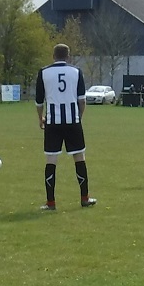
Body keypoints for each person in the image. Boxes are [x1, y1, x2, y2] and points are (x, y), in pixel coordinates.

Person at [35, 43, 95, 210]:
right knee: (79, 158)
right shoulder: (76, 72)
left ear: (53, 56)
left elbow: (39, 102)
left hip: (52, 123)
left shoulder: (44, 72)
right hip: (72, 122)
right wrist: (78, 118)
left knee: (51, 159)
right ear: (68, 57)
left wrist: (41, 119)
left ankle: (51, 202)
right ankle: (84, 198)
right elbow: (82, 100)